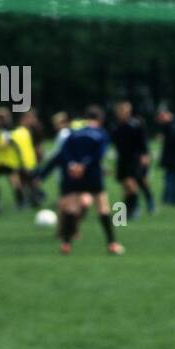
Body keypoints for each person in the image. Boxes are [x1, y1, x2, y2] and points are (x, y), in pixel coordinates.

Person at [37, 105, 124, 255]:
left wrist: (72, 166)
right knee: (102, 207)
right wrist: (84, 166)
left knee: (71, 208)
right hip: (92, 173)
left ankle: (66, 245)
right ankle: (112, 244)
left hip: (73, 174)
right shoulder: (100, 133)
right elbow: (99, 154)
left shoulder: (73, 133)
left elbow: (63, 153)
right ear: (100, 119)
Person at [111, 100, 153, 218]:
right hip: (122, 160)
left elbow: (143, 142)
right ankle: (124, 213)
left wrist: (145, 156)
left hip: (134, 159)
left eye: (124, 111)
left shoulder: (135, 125)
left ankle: (134, 209)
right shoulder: (116, 126)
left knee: (132, 185)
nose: (122, 113)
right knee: (126, 188)